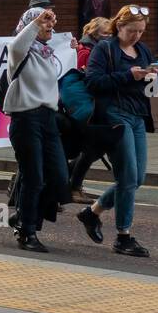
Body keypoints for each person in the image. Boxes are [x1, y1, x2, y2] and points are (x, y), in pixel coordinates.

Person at [77, 5, 158, 258]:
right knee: (127, 178)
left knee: (137, 179)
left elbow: (154, 87)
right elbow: (93, 82)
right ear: (119, 27)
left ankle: (91, 213)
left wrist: (154, 77)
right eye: (132, 30)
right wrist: (127, 75)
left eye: (141, 31)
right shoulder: (105, 49)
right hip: (115, 116)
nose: (136, 36)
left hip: (137, 117)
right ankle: (123, 237)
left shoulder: (142, 50)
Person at [2, 7, 67, 253]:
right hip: (26, 119)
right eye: (43, 24)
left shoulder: (48, 53)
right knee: (34, 178)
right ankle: (26, 231)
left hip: (48, 119)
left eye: (51, 23)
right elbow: (17, 45)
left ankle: (22, 215)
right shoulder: (20, 52)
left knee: (59, 177)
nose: (49, 27)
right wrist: (36, 22)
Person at [65, 17, 114, 204]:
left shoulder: (98, 49)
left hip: (93, 107)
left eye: (110, 33)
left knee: (93, 149)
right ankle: (73, 185)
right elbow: (82, 79)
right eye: (105, 34)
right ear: (94, 33)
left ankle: (68, 178)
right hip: (86, 108)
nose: (109, 37)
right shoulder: (86, 52)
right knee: (92, 148)